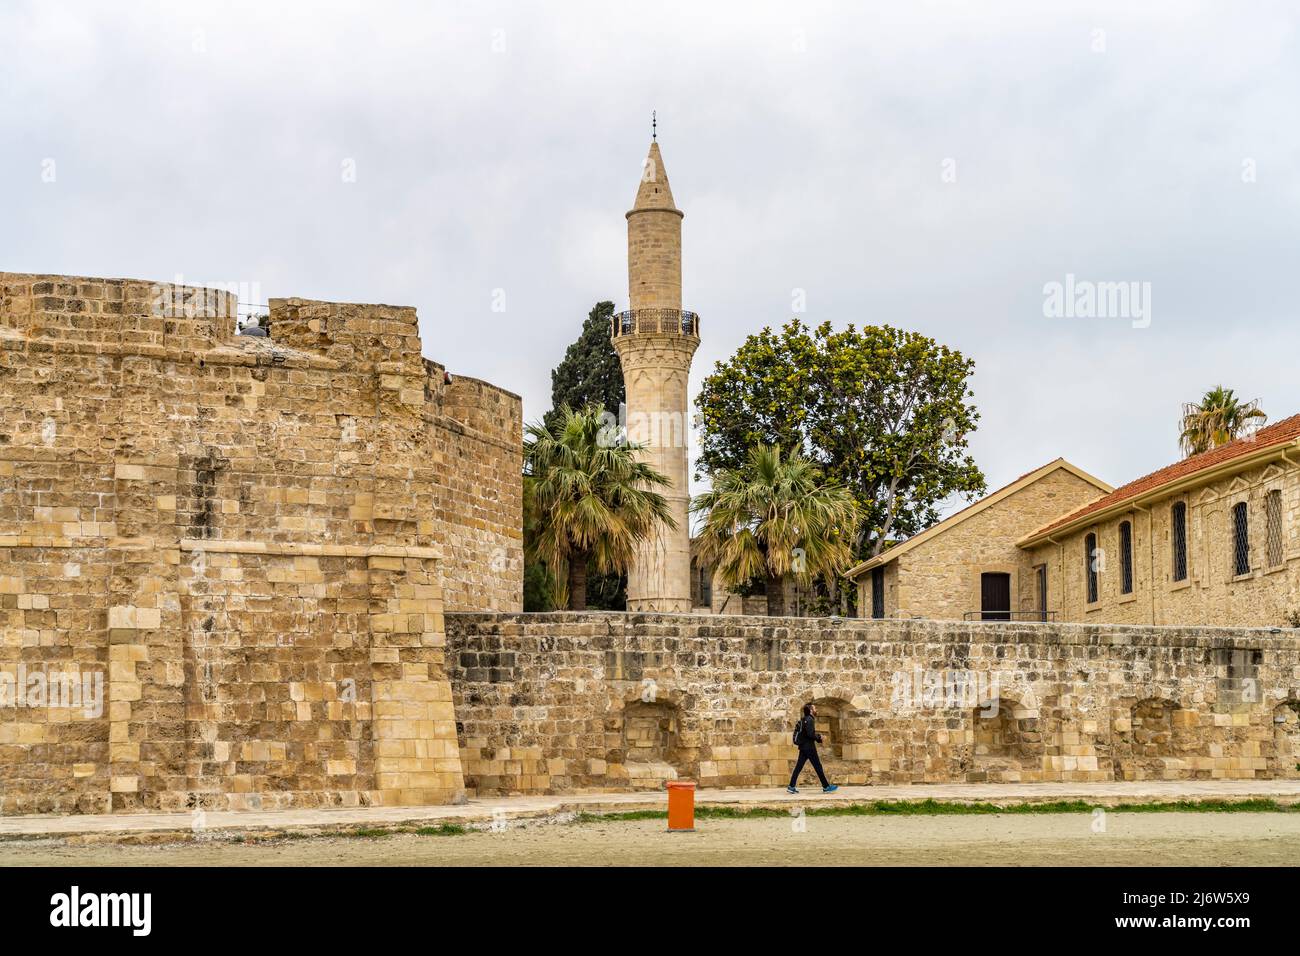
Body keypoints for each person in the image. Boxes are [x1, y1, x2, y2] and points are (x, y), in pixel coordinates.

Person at [788, 702, 838, 794]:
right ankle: (826, 787)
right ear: (811, 710)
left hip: (803, 747)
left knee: (798, 767)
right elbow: (810, 734)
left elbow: (807, 734)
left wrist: (818, 738)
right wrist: (820, 737)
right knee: (818, 767)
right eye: (815, 708)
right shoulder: (810, 720)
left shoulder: (804, 719)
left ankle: (791, 786)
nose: (816, 710)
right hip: (809, 748)